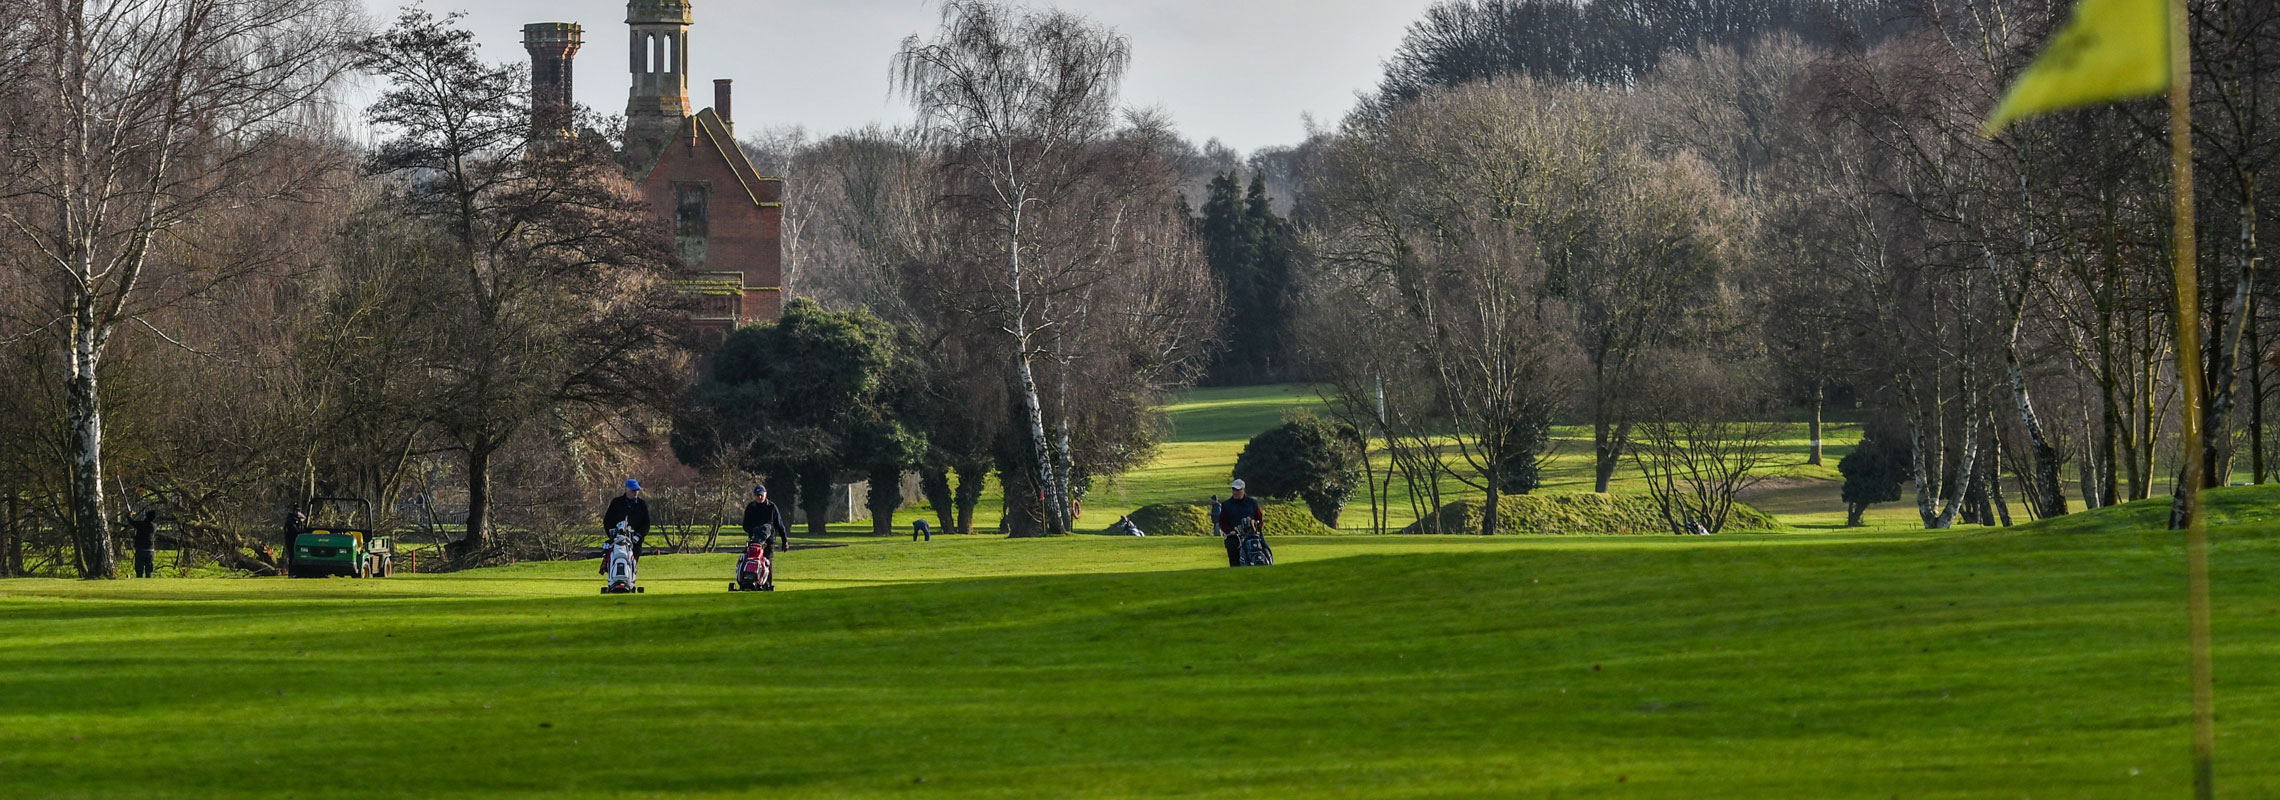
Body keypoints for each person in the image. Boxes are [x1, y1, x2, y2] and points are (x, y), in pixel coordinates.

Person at [602, 480, 650, 573]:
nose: (635, 492)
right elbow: (607, 520)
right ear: (626, 489)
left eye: (637, 490)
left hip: (635, 542)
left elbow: (646, 523)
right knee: (616, 562)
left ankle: (630, 584)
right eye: (633, 490)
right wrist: (612, 533)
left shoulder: (641, 505)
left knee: (632, 566)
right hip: (617, 540)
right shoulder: (616, 503)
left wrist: (639, 535)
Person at [1216, 479, 1263, 567]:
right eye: (1234, 490)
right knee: (1232, 546)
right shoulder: (1226, 505)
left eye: (1238, 490)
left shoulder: (1252, 503)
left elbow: (1259, 518)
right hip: (1235, 535)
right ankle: (1235, 568)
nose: (1235, 492)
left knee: (1262, 546)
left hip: (1252, 533)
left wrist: (1257, 527)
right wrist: (1230, 531)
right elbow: (1222, 522)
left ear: (1243, 490)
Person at [742, 484, 787, 551]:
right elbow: (745, 526)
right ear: (754, 496)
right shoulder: (750, 507)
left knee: (767, 561)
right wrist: (754, 530)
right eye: (757, 495)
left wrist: (785, 541)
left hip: (769, 542)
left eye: (761, 495)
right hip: (754, 542)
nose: (760, 497)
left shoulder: (772, 507)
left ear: (765, 494)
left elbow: (780, 525)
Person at [128, 509, 158, 579]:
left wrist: (129, 515)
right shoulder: (154, 526)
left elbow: (132, 521)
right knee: (149, 570)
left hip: (140, 549)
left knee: (139, 570)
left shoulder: (140, 524)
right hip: (150, 550)